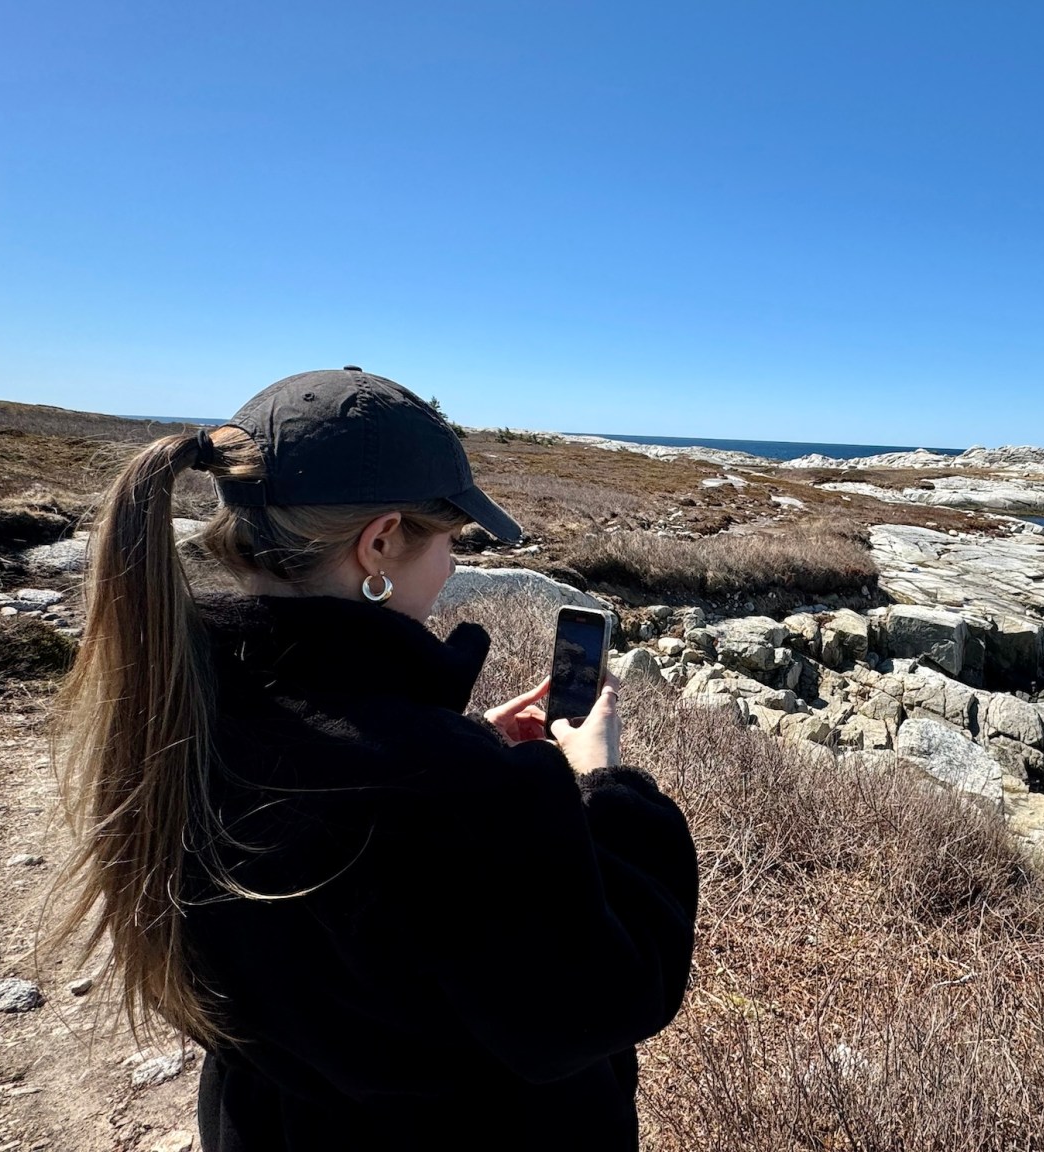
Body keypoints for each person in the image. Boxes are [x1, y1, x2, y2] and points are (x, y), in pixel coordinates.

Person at [52, 368, 699, 1151]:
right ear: (381, 542)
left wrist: (455, 744)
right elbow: (611, 995)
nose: (454, 566)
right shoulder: (452, 792)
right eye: (449, 539)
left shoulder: (173, 709)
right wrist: (606, 787)